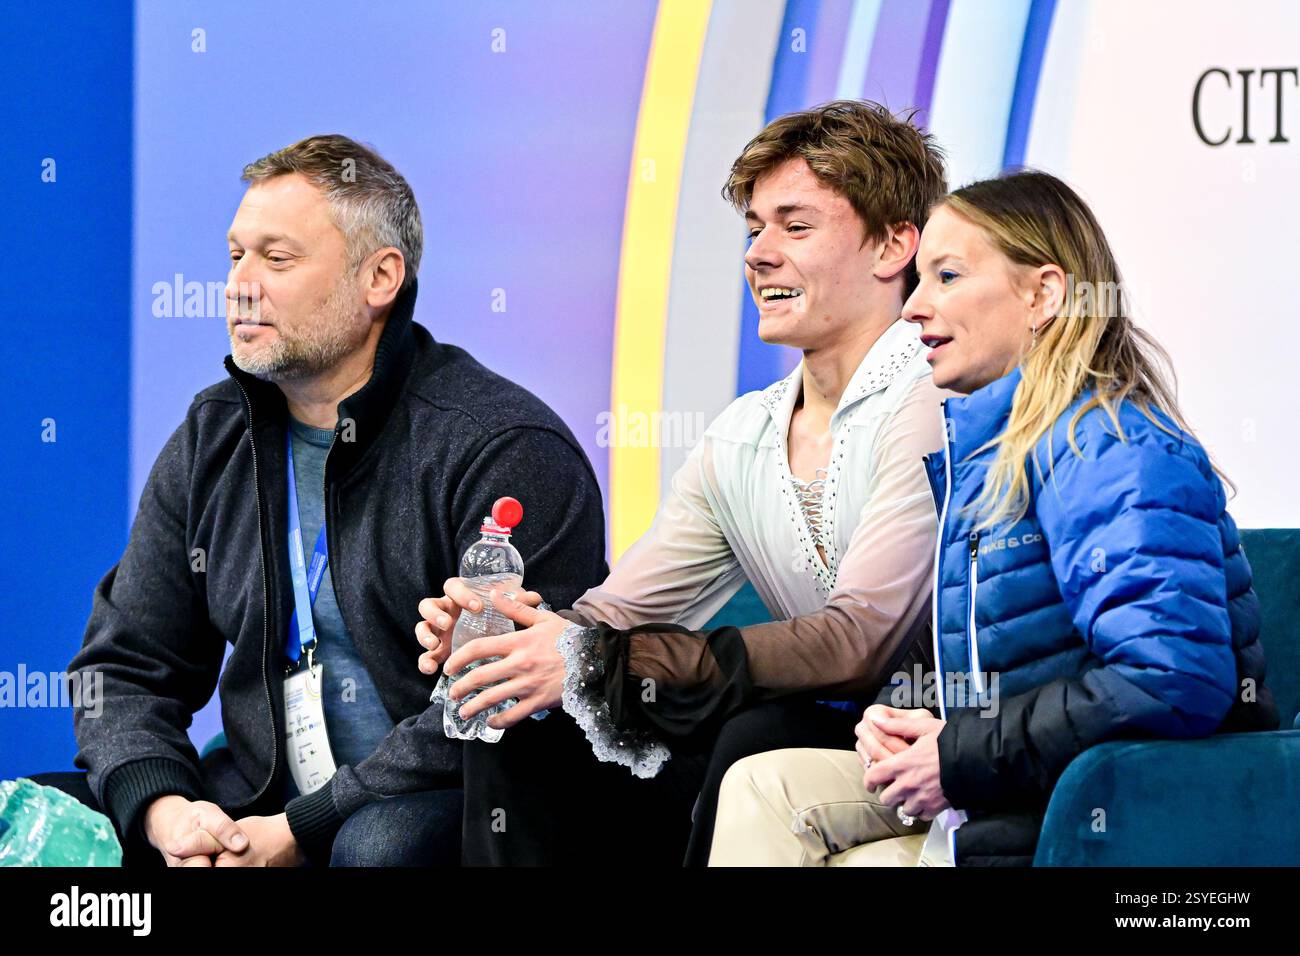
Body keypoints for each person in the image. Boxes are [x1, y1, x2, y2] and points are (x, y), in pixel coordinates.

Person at [30, 134, 607, 867]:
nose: (240, 284)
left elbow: (487, 706)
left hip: (445, 807)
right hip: (256, 806)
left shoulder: (500, 445)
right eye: (235, 255)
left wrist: (302, 830)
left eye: (276, 259)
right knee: (34, 824)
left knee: (378, 847)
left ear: (380, 278)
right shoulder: (215, 435)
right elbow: (127, 664)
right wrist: (166, 809)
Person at [416, 100, 953, 865]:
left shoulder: (933, 396)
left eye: (795, 227)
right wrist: (513, 634)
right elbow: (612, 612)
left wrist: (590, 659)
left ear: (895, 245)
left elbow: (858, 641)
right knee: (526, 717)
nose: (759, 254)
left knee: (748, 733)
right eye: (753, 230)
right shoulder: (744, 432)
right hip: (811, 721)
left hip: (926, 731)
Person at [707, 170, 1279, 866]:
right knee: (762, 783)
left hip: (1096, 811)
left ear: (1042, 294)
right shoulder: (989, 453)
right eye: (917, 280)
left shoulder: (1112, 449)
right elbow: (1019, 661)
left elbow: (1171, 677)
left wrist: (958, 753)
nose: (914, 307)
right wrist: (919, 723)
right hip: (1012, 781)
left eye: (946, 276)